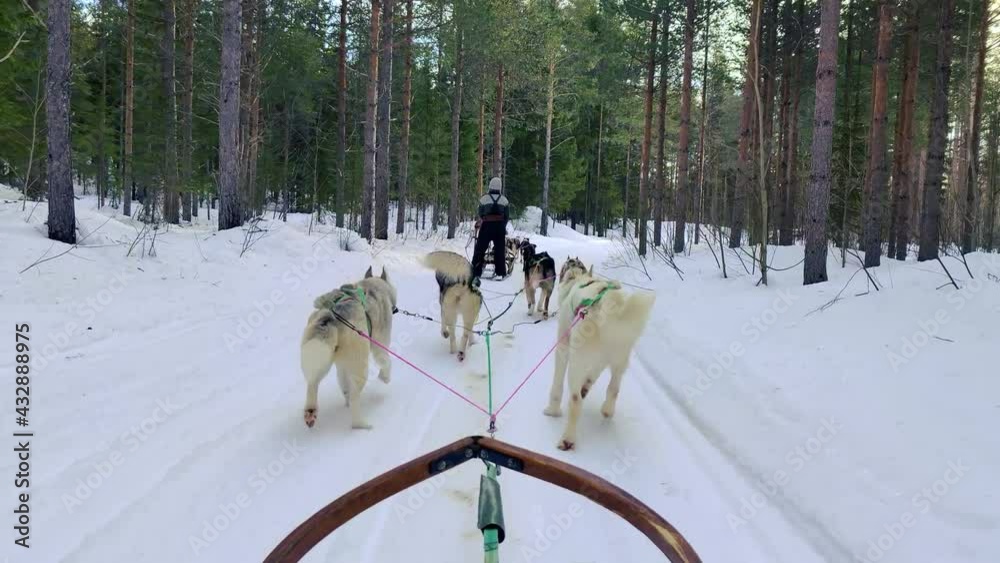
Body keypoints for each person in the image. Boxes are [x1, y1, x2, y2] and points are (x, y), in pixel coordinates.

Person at [472, 177, 510, 279]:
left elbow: (480, 213)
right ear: (500, 187)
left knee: (480, 249)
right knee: (499, 250)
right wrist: (503, 226)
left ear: (490, 186)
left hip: (486, 226)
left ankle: (475, 271)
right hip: (499, 227)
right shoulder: (504, 200)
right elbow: (506, 216)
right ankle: (500, 272)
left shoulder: (483, 199)